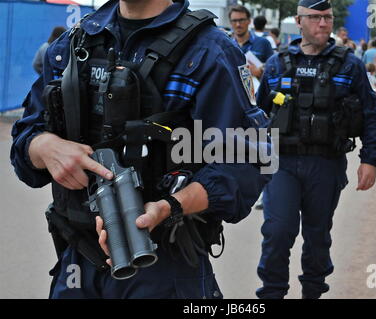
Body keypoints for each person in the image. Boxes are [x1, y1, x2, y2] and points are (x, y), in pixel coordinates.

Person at [11, 0, 271, 299]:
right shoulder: (74, 42)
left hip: (165, 262)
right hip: (77, 259)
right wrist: (43, 146)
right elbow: (25, 141)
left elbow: (249, 161)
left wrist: (172, 205)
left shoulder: (208, 50)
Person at [256, 0, 376, 299]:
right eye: (316, 18)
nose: (324, 24)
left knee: (317, 237)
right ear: (299, 21)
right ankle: (272, 294)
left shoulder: (349, 64)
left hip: (326, 164)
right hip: (282, 164)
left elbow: (371, 112)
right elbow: (257, 115)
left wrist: (371, 159)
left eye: (327, 17)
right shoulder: (277, 63)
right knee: (277, 232)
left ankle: (312, 293)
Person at [229, 5, 274, 79]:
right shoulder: (227, 46)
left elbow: (274, 69)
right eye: (234, 21)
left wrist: (261, 71)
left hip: (257, 88)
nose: (238, 24)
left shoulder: (264, 43)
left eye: (241, 20)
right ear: (230, 22)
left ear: (249, 21)